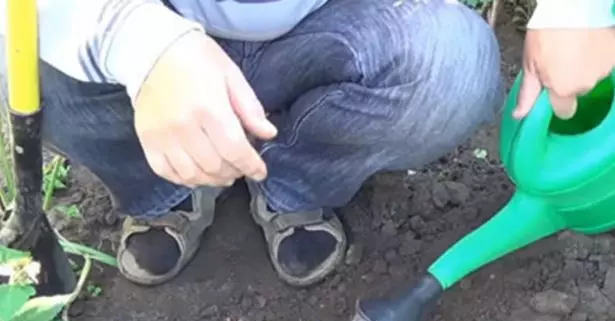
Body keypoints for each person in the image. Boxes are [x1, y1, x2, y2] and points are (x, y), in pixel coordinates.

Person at [1, 0, 614, 288]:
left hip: (332, 20)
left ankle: (292, 180)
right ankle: (165, 188)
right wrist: (135, 40)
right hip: (136, 31)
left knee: (449, 68)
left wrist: (580, 8)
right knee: (19, 64)